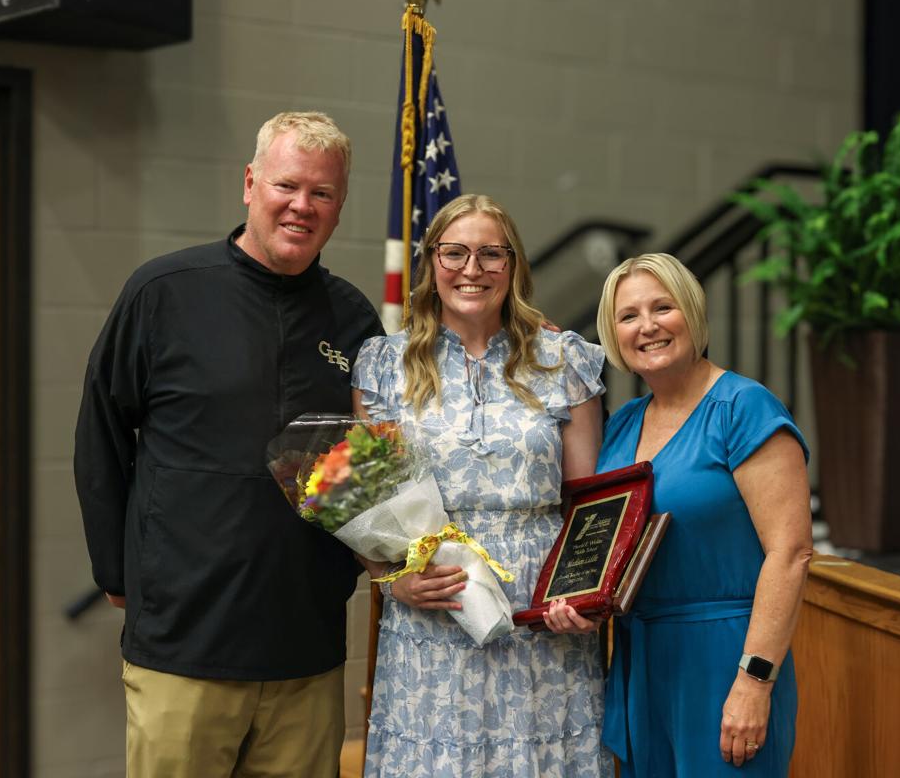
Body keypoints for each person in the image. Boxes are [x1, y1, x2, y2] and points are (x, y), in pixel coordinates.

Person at [74, 111, 383, 778]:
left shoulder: (354, 320)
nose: (302, 206)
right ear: (250, 183)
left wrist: (365, 569)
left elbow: (362, 470)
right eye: (286, 185)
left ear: (339, 206)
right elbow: (100, 433)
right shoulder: (163, 294)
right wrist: (116, 574)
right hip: (184, 644)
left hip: (306, 651)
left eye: (322, 193)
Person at [352, 194, 612, 777]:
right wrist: (392, 581)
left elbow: (589, 501)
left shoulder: (561, 359)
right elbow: (368, 504)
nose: (473, 269)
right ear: (431, 262)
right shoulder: (384, 365)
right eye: (455, 253)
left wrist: (585, 597)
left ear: (513, 265)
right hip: (435, 610)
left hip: (542, 613)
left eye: (492, 254)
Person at [590, 253, 813, 776]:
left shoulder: (744, 408)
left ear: (691, 312)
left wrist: (755, 680)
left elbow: (791, 552)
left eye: (662, 308)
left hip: (725, 658)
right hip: (641, 661)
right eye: (628, 316)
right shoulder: (622, 425)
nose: (648, 326)